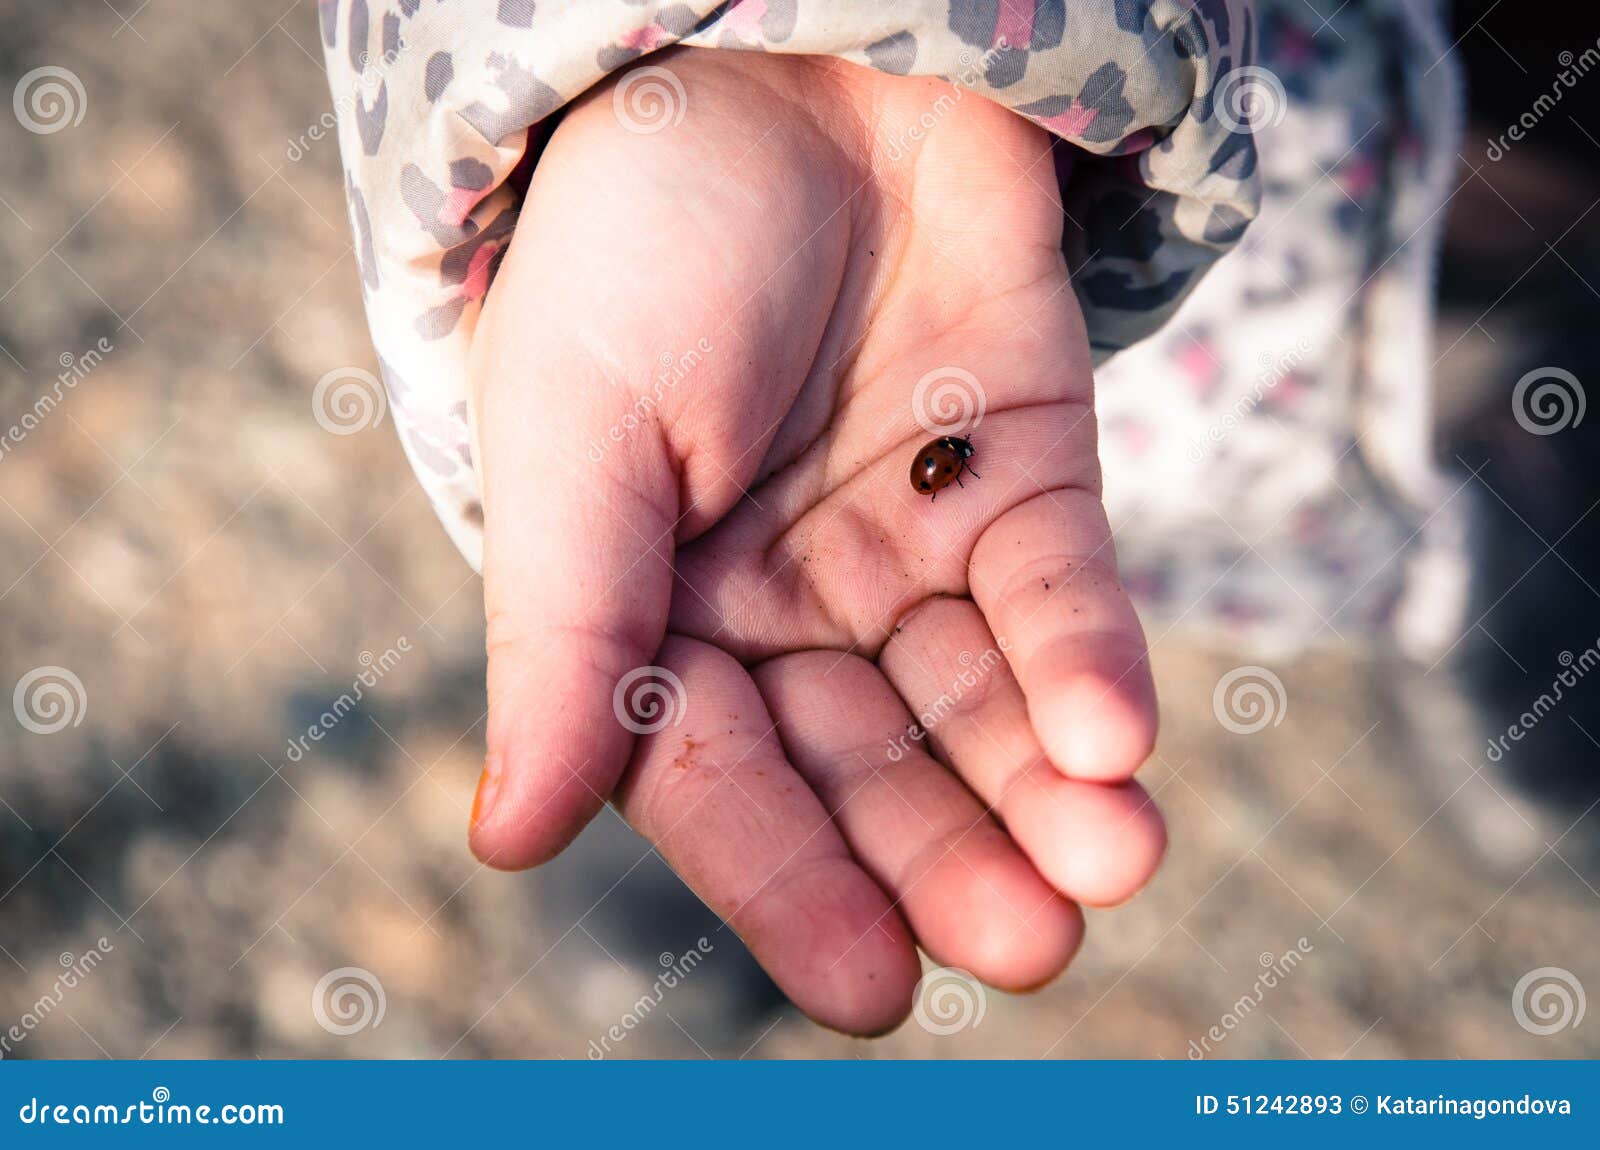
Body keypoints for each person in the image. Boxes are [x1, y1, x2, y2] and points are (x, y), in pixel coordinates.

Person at [318, 0, 1459, 1033]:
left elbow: (960, 467)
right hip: (1090, 169)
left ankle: (1487, 376)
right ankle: (698, 727)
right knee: (784, 595)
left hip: (1190, 204)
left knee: (1063, 560)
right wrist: (774, 67)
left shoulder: (964, 447)